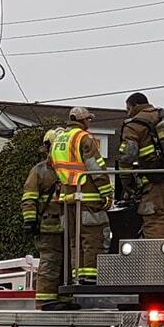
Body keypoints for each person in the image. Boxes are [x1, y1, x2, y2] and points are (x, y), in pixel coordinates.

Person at [47, 106, 108, 291]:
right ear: (82, 120)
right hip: (87, 196)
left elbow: (54, 166)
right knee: (92, 238)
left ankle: (78, 276)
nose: (89, 123)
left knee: (75, 240)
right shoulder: (83, 138)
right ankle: (90, 278)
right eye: (88, 120)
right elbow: (95, 168)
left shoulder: (58, 140)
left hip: (67, 198)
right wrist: (106, 193)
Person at [117, 92, 164, 240]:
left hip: (154, 183)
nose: (128, 113)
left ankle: (157, 260)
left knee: (155, 220)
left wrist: (126, 182)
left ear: (134, 105)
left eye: (128, 109)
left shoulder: (133, 125)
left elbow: (127, 157)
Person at [20, 143, 67, 310]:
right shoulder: (39, 171)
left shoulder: (70, 168)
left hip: (68, 229)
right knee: (50, 262)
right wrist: (30, 221)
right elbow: (29, 198)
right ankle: (45, 301)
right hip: (47, 227)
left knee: (67, 265)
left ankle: (65, 299)